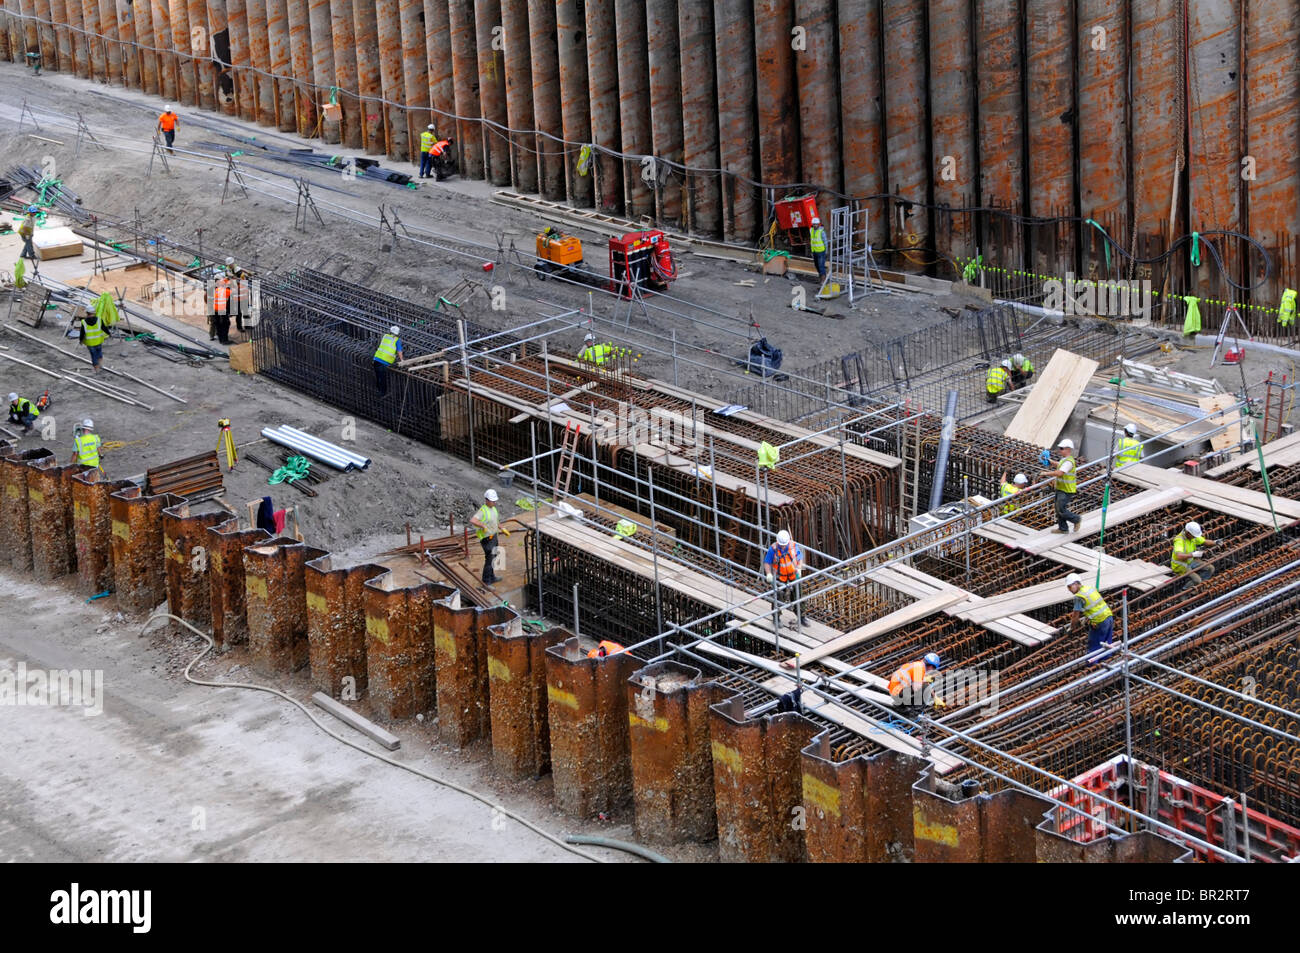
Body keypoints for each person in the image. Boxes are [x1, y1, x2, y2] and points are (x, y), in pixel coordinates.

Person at [1065, 573, 1114, 661]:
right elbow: (1094, 606)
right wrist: (1087, 618)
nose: (1069, 589)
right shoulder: (1089, 588)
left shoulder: (1078, 597)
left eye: (1069, 586)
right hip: (1109, 617)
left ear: (1076, 583)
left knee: (1094, 646)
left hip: (1099, 622)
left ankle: (1092, 665)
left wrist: (1071, 628)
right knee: (1107, 644)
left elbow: (1075, 615)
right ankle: (1106, 662)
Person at [763, 529, 806, 628]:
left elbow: (800, 558)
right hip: (780, 576)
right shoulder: (773, 549)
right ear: (777, 542)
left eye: (784, 545)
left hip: (793, 574)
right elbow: (767, 562)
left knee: (798, 595)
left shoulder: (793, 546)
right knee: (778, 597)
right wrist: (768, 574)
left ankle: (802, 617)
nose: (783, 546)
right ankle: (776, 618)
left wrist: (799, 568)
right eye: (781, 545)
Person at [1040, 437, 1083, 534]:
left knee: (1061, 509)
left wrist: (1046, 473)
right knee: (1058, 508)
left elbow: (1059, 473)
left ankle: (1076, 519)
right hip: (1061, 488)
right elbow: (1059, 465)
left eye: (1062, 448)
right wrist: (1051, 461)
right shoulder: (1064, 460)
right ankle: (1063, 528)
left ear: (1068, 449)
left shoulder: (1069, 462)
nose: (1060, 450)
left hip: (1066, 490)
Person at [470, 488, 501, 586]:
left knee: (494, 557)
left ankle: (492, 577)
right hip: (487, 539)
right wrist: (483, 526)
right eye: (492, 501)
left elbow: (495, 520)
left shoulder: (493, 509)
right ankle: (486, 581)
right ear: (487, 500)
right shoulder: (483, 510)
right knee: (489, 559)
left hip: (494, 536)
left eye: (495, 501)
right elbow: (473, 520)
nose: (494, 502)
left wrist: (501, 527)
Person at [74, 302, 108, 372]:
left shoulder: (84, 322)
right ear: (94, 312)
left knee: (93, 355)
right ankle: (101, 364)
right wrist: (109, 334)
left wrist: (80, 340)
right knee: (99, 352)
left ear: (87, 313)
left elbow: (82, 333)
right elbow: (104, 328)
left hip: (90, 343)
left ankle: (97, 369)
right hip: (98, 341)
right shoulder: (99, 320)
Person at [373, 324, 403, 397]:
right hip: (384, 361)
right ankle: (382, 393)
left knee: (378, 376)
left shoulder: (385, 336)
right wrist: (402, 360)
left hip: (376, 358)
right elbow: (399, 351)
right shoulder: (397, 340)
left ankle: (378, 390)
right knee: (382, 378)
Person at [209, 270, 233, 344]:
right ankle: (224, 340)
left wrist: (227, 278)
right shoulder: (227, 291)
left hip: (215, 310)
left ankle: (220, 339)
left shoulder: (217, 289)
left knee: (218, 324)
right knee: (226, 324)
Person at [809, 216, 828, 282]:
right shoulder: (811, 230)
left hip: (821, 251)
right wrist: (812, 251)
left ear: (818, 224)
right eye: (814, 224)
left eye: (816, 224)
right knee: (816, 265)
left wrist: (826, 252)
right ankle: (821, 276)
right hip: (814, 251)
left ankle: (823, 279)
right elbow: (812, 241)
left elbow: (825, 242)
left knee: (821, 266)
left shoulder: (821, 232)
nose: (815, 225)